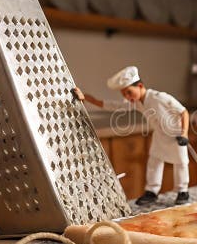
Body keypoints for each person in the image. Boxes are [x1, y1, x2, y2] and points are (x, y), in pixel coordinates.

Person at [74, 66, 190, 205]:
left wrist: (184, 133)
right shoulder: (137, 103)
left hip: (175, 135)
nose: (127, 97)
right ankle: (151, 192)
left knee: (181, 163)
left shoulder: (159, 97)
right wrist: (87, 98)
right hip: (159, 135)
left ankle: (183, 191)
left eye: (129, 92)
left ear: (140, 86)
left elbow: (183, 112)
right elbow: (115, 106)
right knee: (154, 161)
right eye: (124, 94)